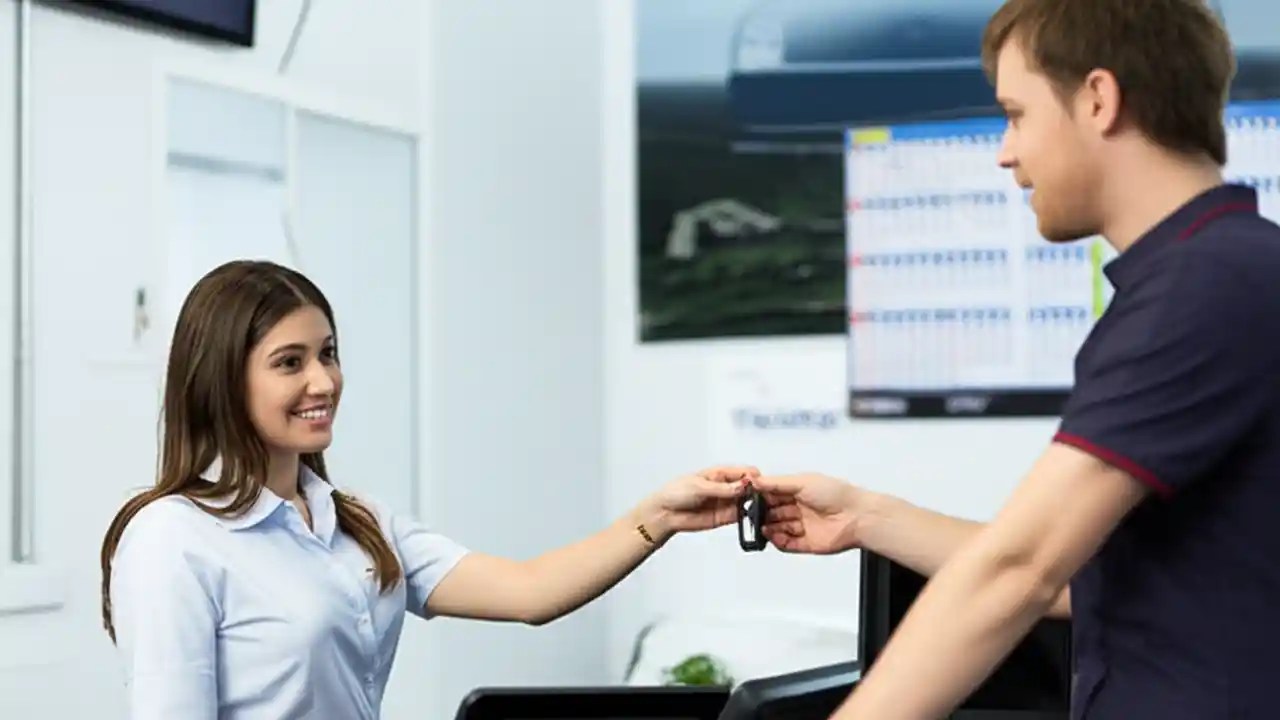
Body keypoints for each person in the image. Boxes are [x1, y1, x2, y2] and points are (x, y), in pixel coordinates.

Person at [757, 1, 1280, 718]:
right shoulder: (1229, 271)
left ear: (1098, 99)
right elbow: (1089, 580)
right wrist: (869, 519)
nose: (1005, 151)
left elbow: (1020, 570)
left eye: (1016, 113)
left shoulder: (1203, 286)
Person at [99, 259, 761, 720]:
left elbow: (529, 592)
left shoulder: (358, 522)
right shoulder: (172, 538)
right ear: (221, 380)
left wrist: (659, 519)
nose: (323, 382)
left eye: (327, 353)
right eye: (289, 363)